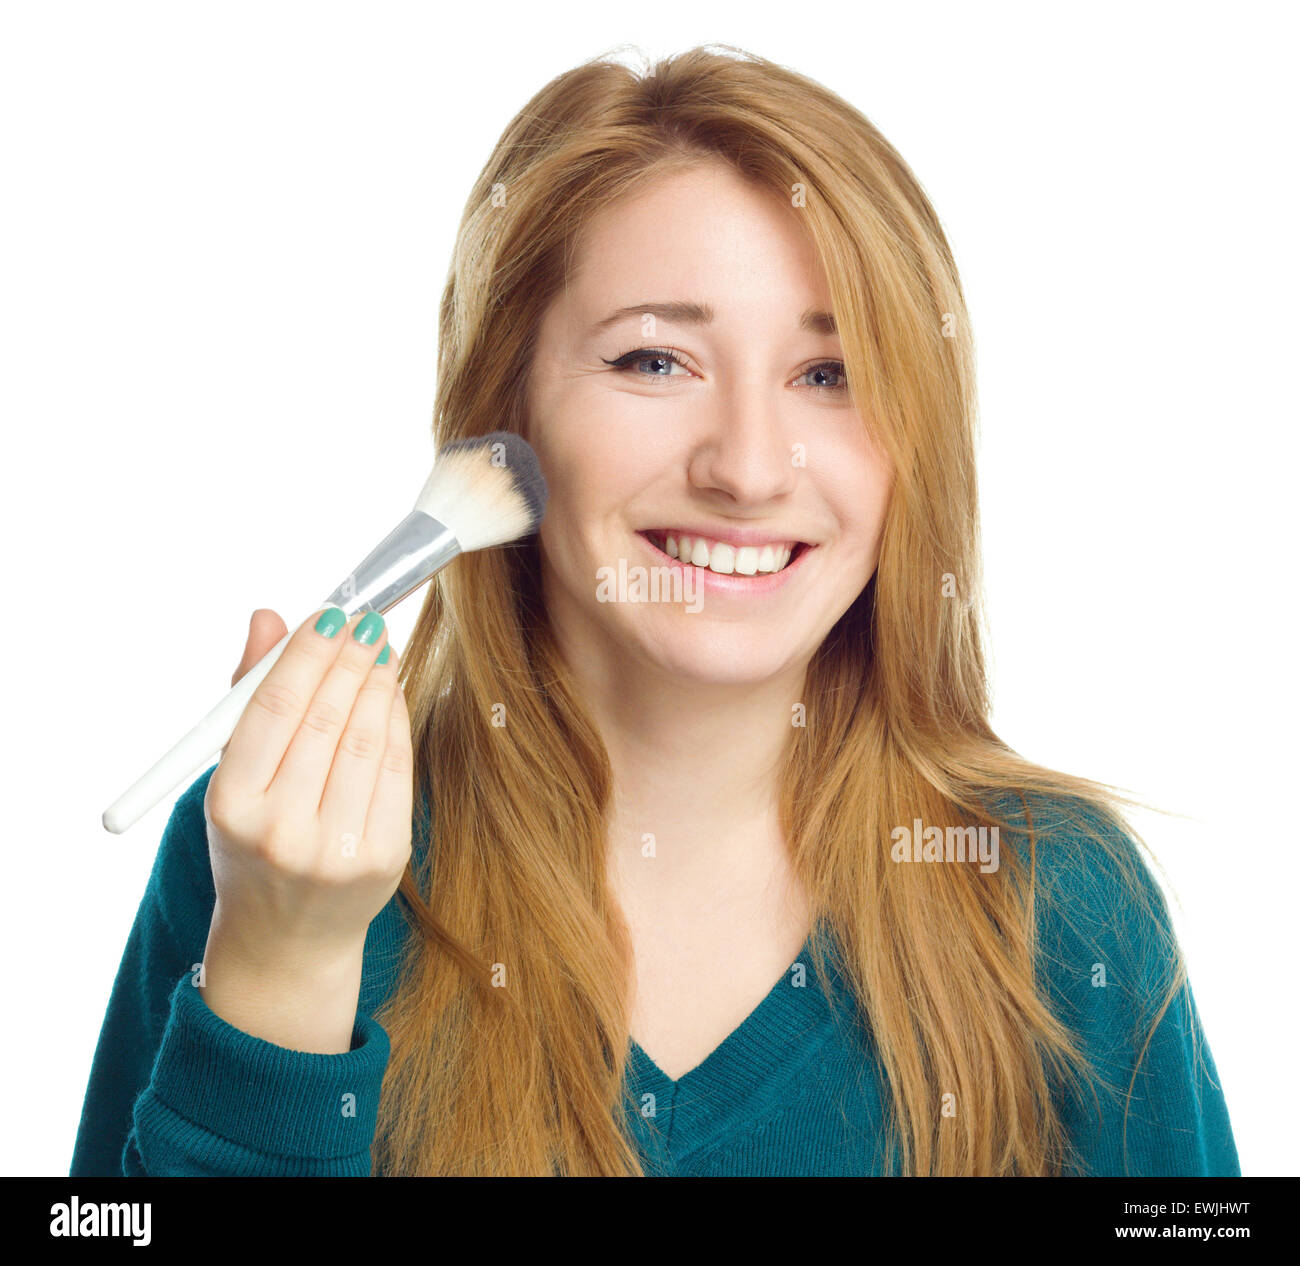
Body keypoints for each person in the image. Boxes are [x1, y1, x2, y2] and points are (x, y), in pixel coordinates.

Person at [71, 43, 1239, 1177]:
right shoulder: (271, 858)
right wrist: (281, 973)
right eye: (653, 362)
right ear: (504, 413)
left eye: (829, 375)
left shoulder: (1058, 901)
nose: (747, 467)